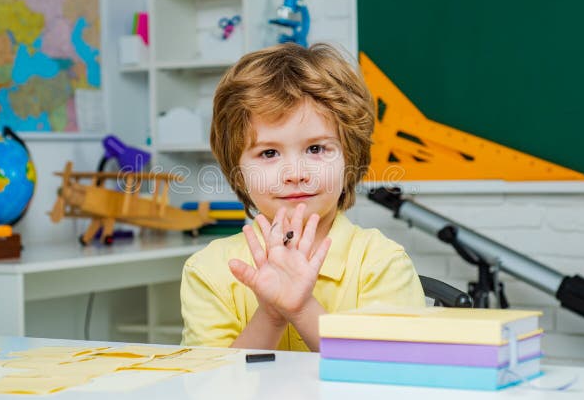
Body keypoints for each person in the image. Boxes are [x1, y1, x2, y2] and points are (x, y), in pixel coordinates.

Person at [180, 43, 425, 351]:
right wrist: (270, 314)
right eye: (269, 152)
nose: (295, 172)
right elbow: (212, 390)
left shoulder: (382, 263)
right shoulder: (209, 270)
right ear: (238, 171)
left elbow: (392, 381)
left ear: (350, 159)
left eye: (316, 149)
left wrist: (301, 308)